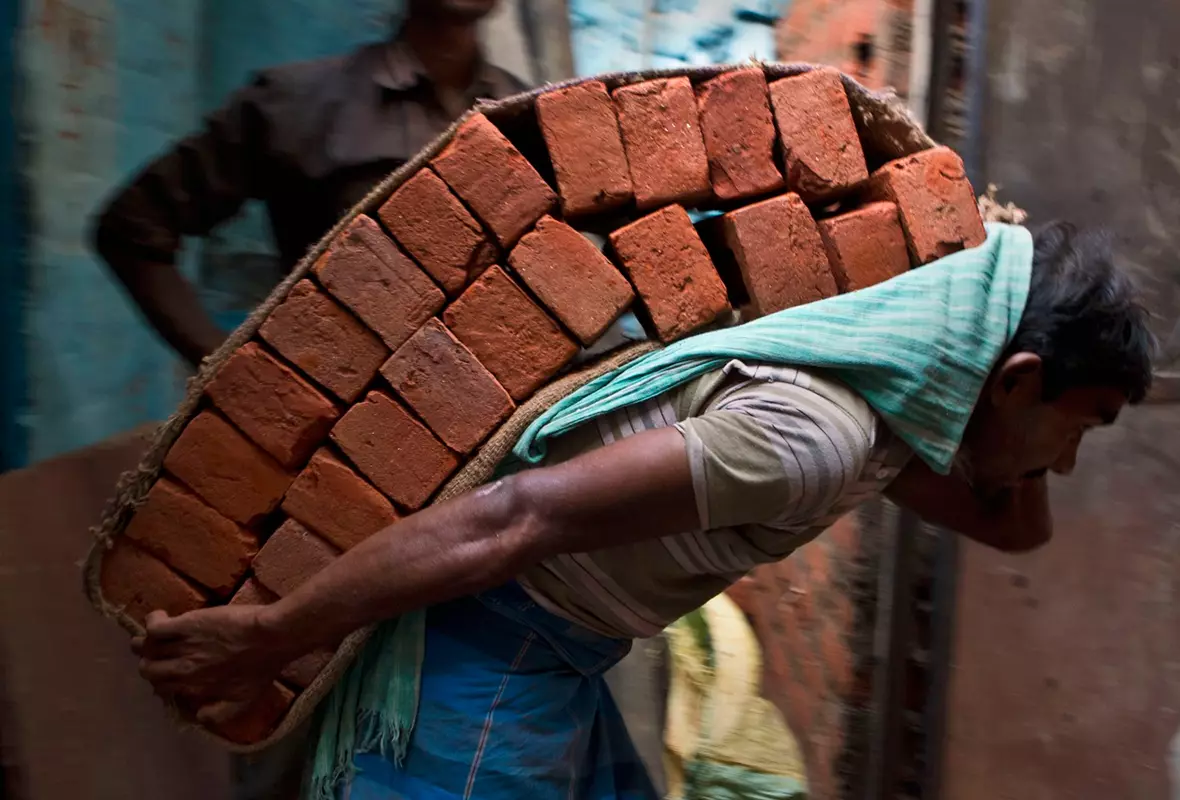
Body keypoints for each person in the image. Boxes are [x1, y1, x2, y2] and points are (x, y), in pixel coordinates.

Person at [132, 220, 1155, 799]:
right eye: (1087, 424)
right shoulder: (817, 435)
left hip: (561, 658)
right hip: (483, 651)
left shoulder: (887, 432)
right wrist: (271, 633)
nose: (1067, 460)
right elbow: (512, 516)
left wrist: (1012, 400)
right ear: (1016, 379)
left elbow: (1014, 522)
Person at [94, 0, 524, 367]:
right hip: (347, 428)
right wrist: (226, 371)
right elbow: (134, 224)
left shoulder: (532, 111)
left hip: (513, 421)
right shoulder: (297, 102)